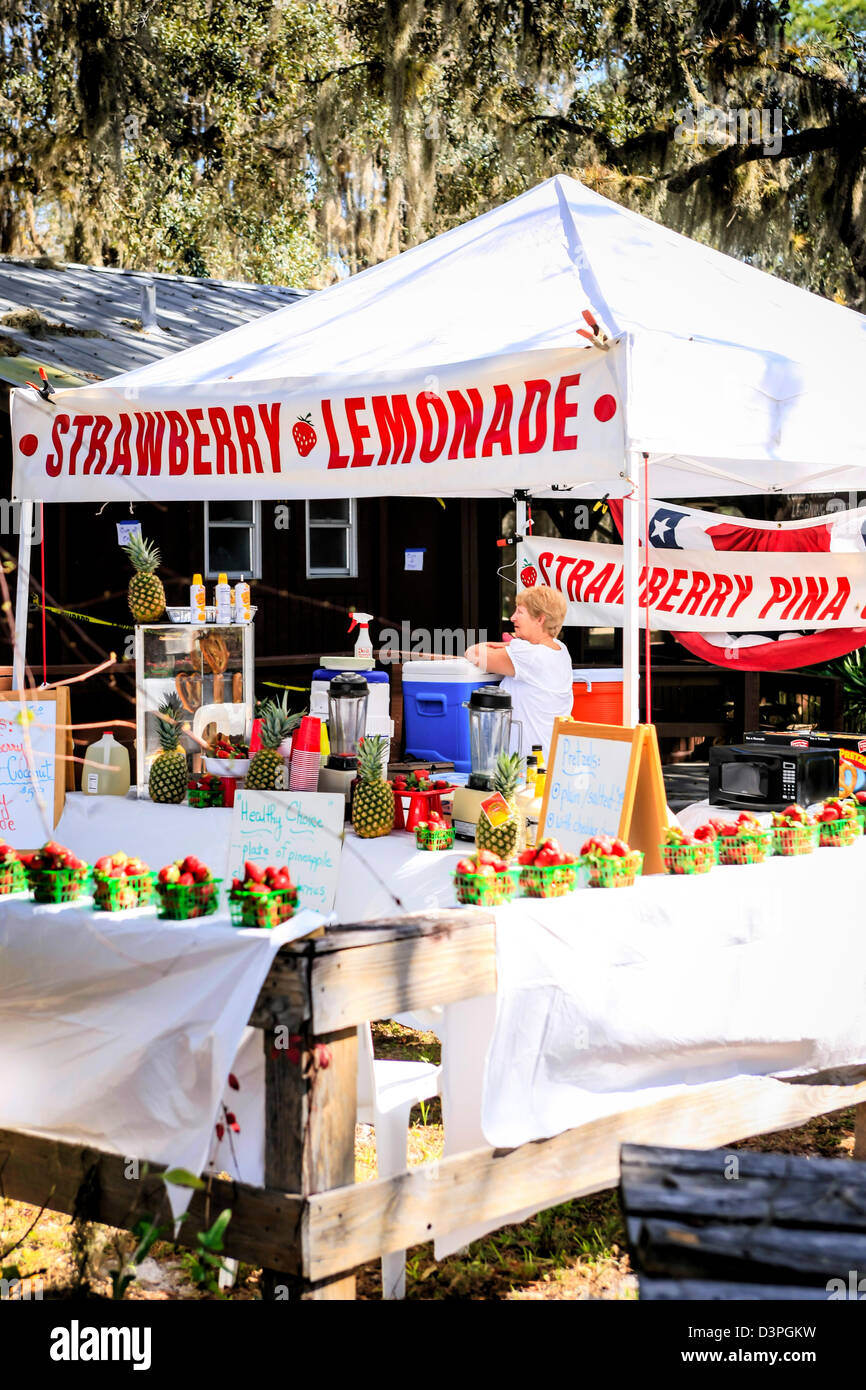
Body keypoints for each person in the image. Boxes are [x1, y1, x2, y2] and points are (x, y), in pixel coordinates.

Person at [465, 586, 573, 761]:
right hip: (550, 760)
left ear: (540, 619)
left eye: (520, 612)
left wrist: (505, 646)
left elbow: (474, 652)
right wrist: (509, 645)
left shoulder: (529, 656)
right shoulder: (561, 650)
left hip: (527, 769)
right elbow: (522, 648)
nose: (512, 617)